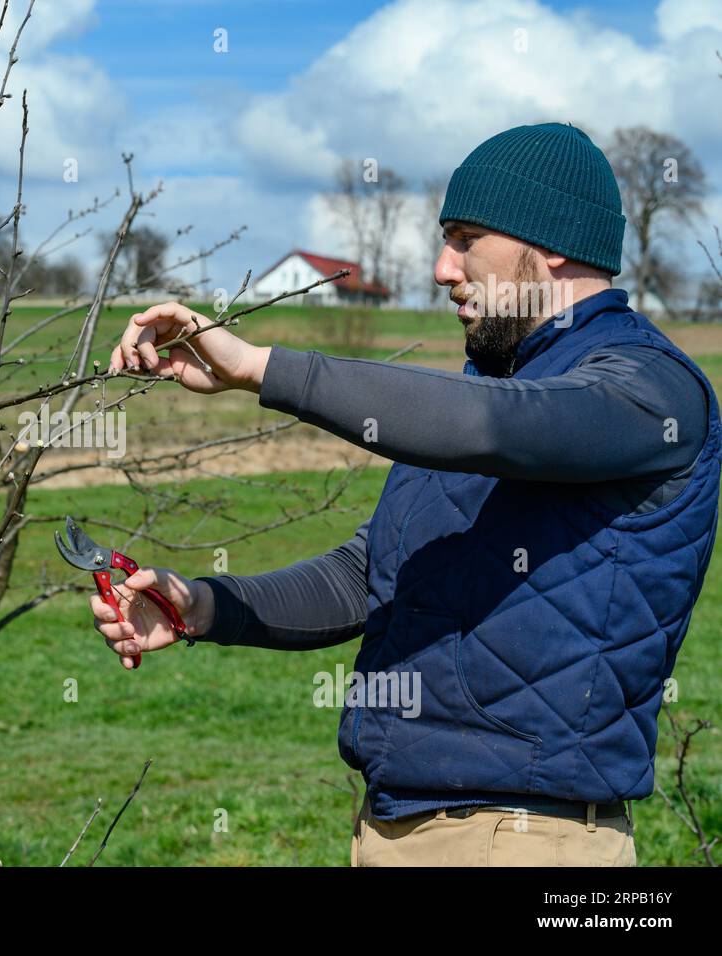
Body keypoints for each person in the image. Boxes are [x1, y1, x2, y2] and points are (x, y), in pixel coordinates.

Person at [87, 122, 721, 866]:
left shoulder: (646, 388)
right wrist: (203, 605)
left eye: (464, 238)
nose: (440, 268)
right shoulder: (484, 392)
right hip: (391, 827)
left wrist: (261, 369)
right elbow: (372, 574)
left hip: (523, 842)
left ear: (548, 243)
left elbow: (501, 430)